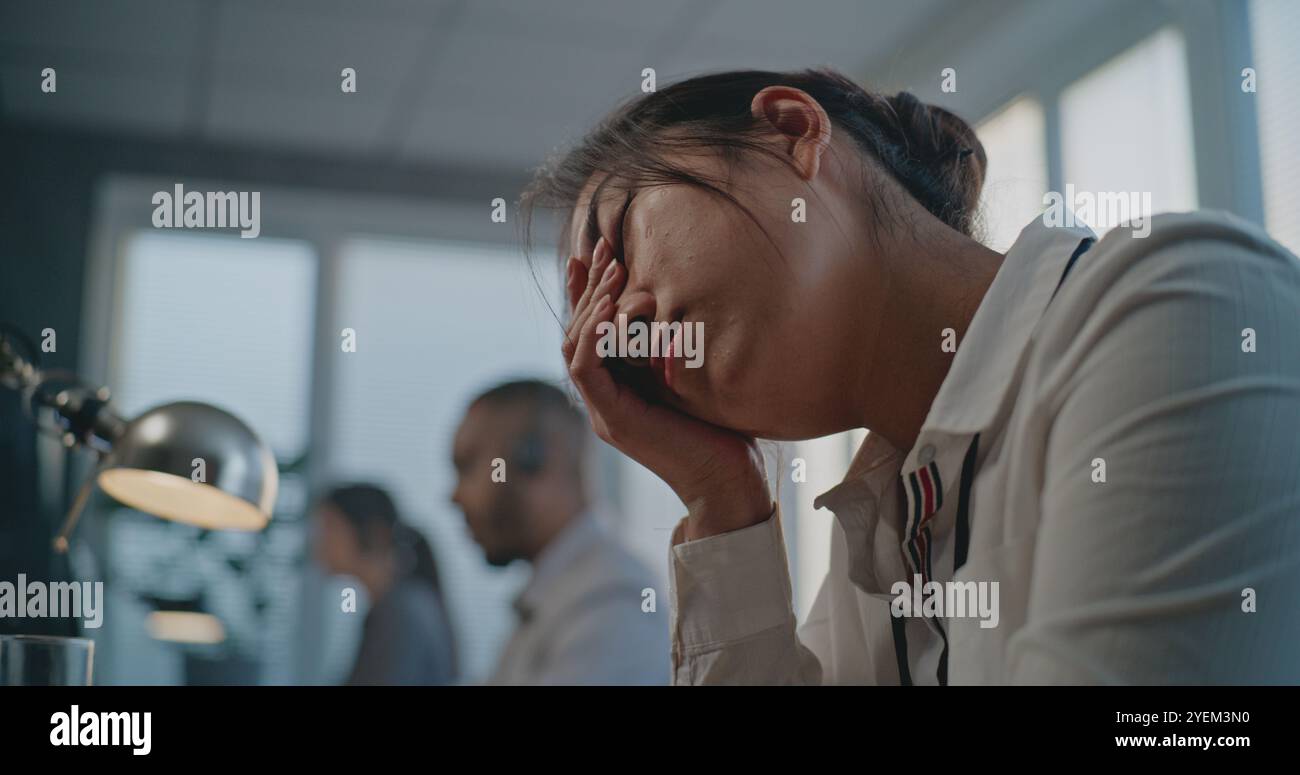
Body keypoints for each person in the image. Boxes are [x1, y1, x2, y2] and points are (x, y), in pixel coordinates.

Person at [521, 68, 1300, 684]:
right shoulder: (882, 540)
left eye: (618, 245)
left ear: (792, 132)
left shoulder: (1179, 301)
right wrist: (719, 498)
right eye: (596, 322)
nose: (618, 323)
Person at [450, 379, 667, 685]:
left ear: (535, 460)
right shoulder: (560, 595)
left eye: (467, 466)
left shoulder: (611, 604)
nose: (454, 496)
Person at [313, 484, 458, 685]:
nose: (319, 542)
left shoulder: (400, 612)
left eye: (330, 528)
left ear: (374, 534)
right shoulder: (397, 604)